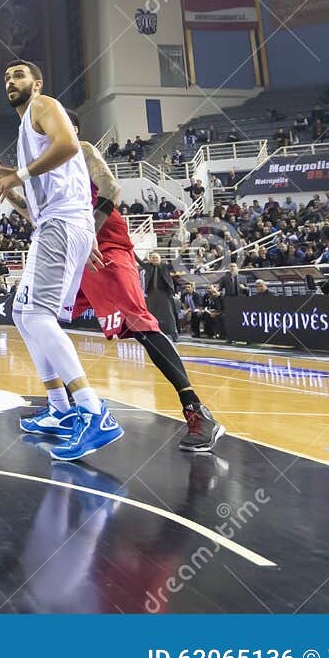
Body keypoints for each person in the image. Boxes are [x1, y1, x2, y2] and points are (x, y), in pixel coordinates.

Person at [0, 60, 123, 461]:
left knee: (35, 315)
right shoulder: (27, 130)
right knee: (24, 314)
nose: (11, 81)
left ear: (36, 83)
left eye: (19, 75)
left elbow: (69, 146)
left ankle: (92, 410)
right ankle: (60, 408)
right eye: (6, 76)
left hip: (62, 222)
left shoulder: (43, 105)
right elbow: (48, 168)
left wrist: (15, 175)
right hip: (60, 224)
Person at [68, 130, 222, 452]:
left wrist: (88, 236)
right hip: (78, 258)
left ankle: (197, 411)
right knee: (36, 316)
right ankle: (63, 407)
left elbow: (112, 188)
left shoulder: (80, 150)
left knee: (141, 327)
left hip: (106, 249)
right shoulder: (47, 169)